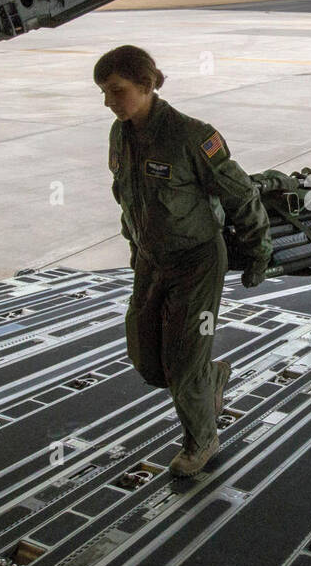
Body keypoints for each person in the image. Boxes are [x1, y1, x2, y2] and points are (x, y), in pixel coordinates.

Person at [97, 45, 272, 477]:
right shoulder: (121, 135)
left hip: (197, 262)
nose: (108, 102)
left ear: (146, 85)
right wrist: (135, 246)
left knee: (182, 365)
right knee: (147, 358)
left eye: (116, 91)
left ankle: (202, 440)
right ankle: (210, 379)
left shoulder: (191, 136)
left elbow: (241, 193)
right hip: (151, 260)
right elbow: (128, 199)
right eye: (103, 92)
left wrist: (257, 249)